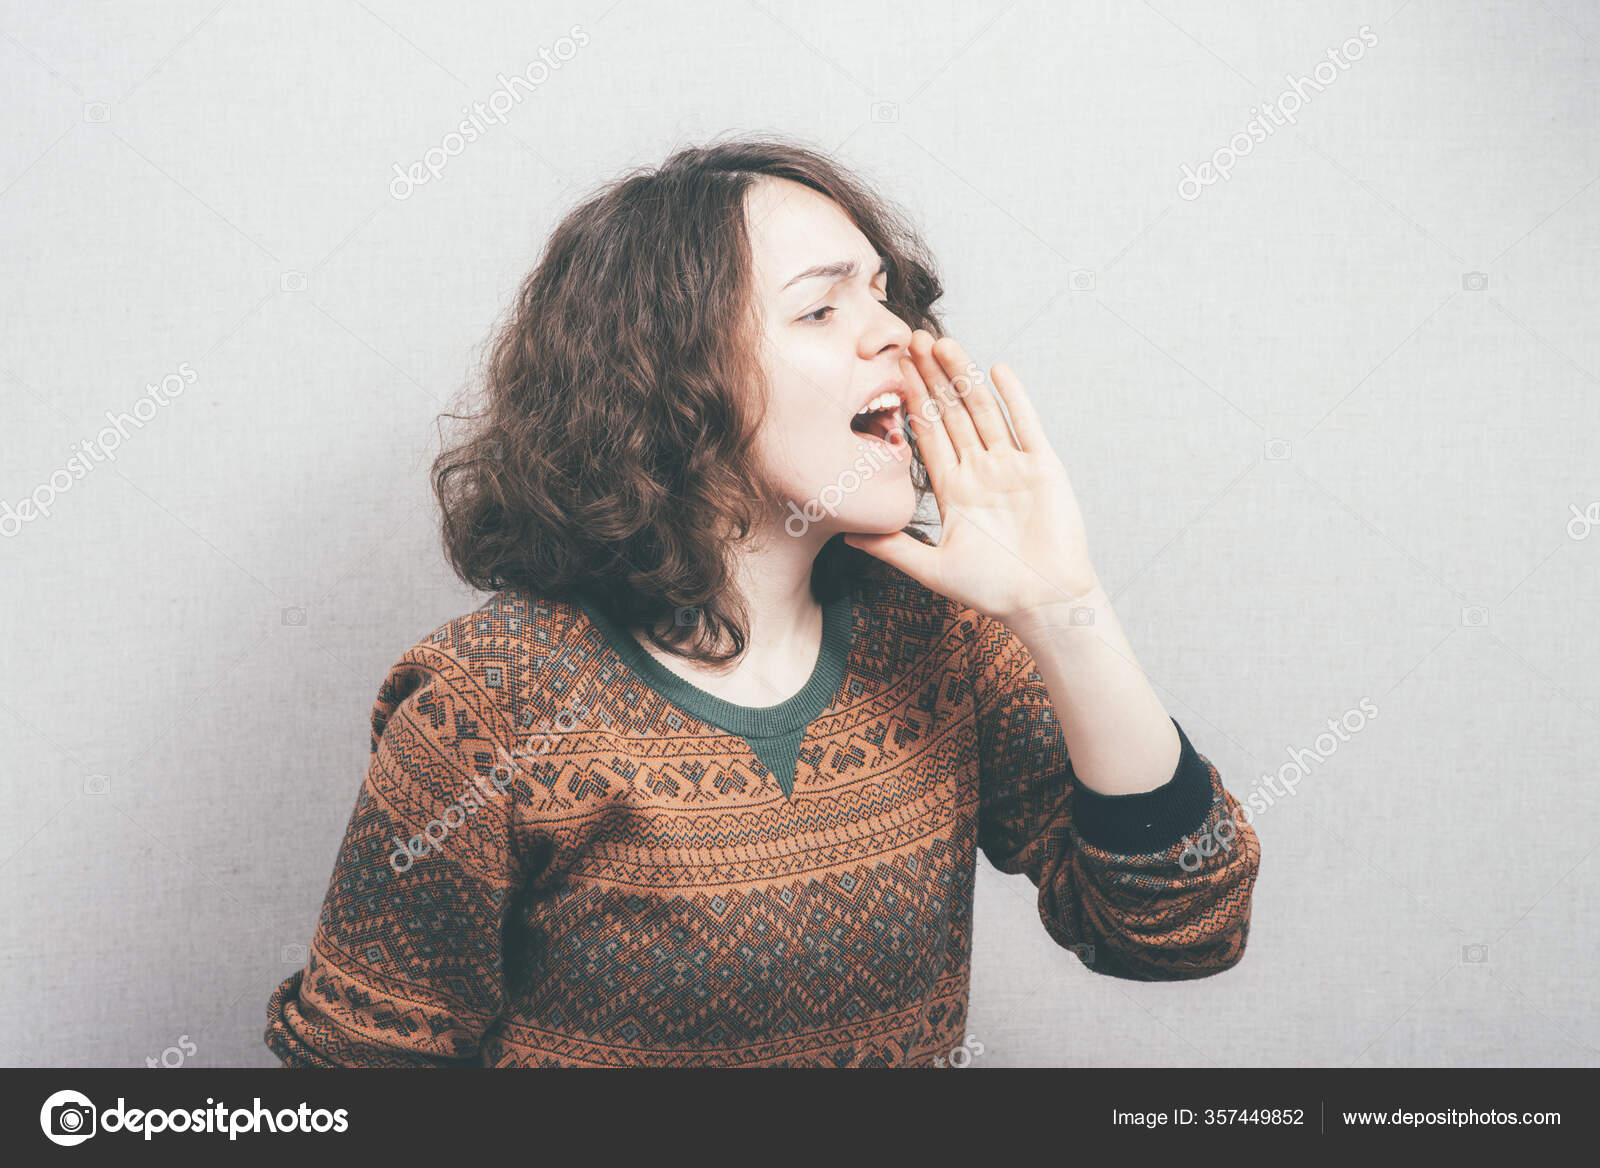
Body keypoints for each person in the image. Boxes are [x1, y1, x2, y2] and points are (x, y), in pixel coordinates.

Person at [264, 134, 1260, 1068]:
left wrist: (1063, 608)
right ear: (667, 380)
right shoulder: (489, 704)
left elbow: (1180, 928)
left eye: (886, 296)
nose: (902, 340)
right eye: (822, 309)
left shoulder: (941, 641)